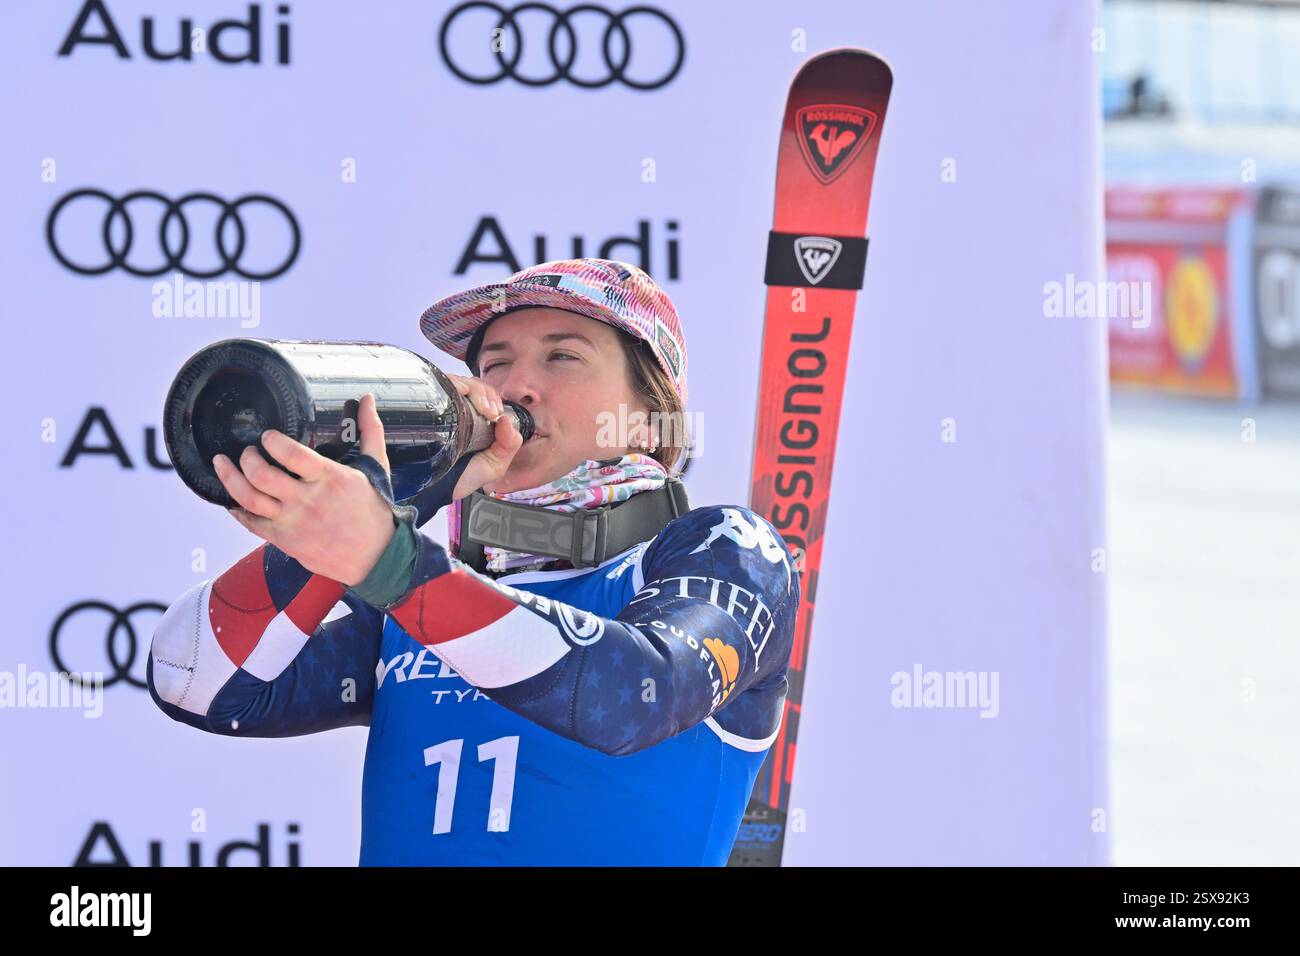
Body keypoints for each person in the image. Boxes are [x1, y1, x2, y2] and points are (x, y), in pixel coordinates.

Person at [147, 258, 800, 865]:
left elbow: (633, 694)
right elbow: (192, 678)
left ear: (649, 420)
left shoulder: (723, 548)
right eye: (494, 363)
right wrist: (404, 496)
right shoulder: (420, 598)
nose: (517, 386)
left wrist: (389, 557)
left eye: (562, 357)